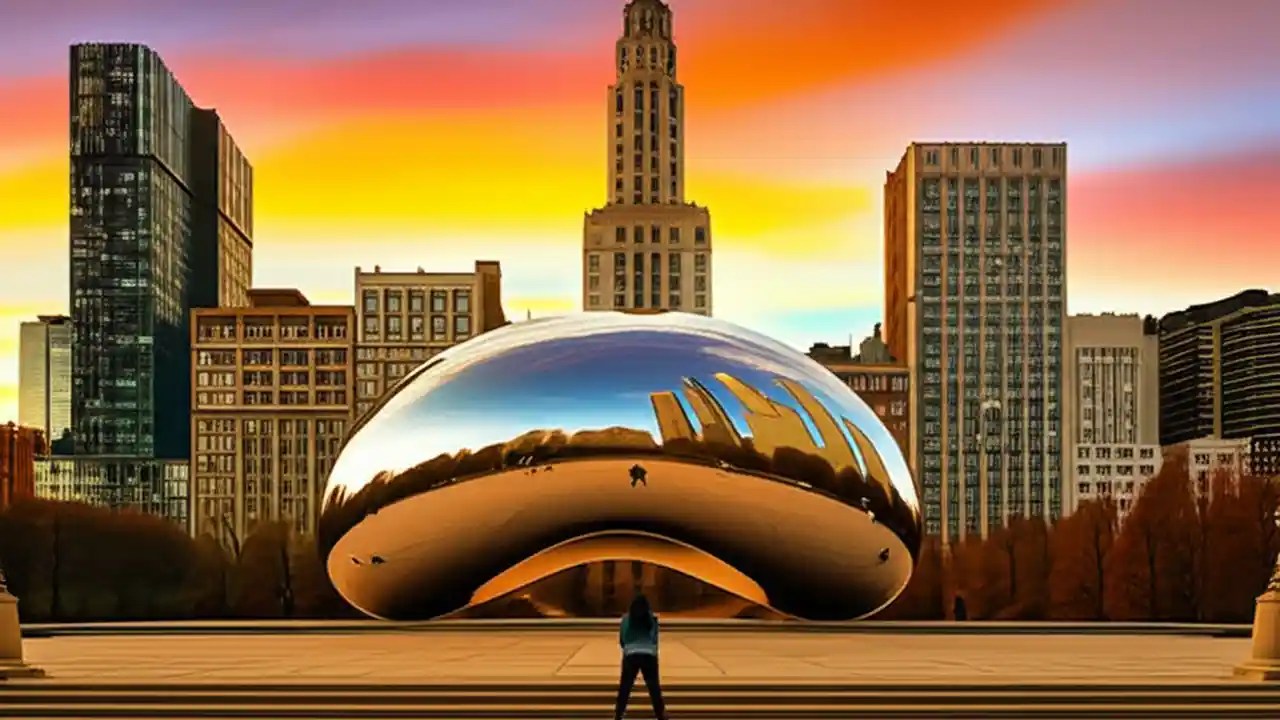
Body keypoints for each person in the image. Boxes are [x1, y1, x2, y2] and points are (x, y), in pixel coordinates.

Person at [615, 593, 669, 720]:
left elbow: (623, 639)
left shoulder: (626, 619)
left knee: (625, 687)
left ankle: (618, 714)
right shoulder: (652, 619)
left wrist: (628, 649)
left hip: (631, 654)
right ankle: (661, 715)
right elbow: (655, 639)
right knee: (654, 687)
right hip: (649, 654)